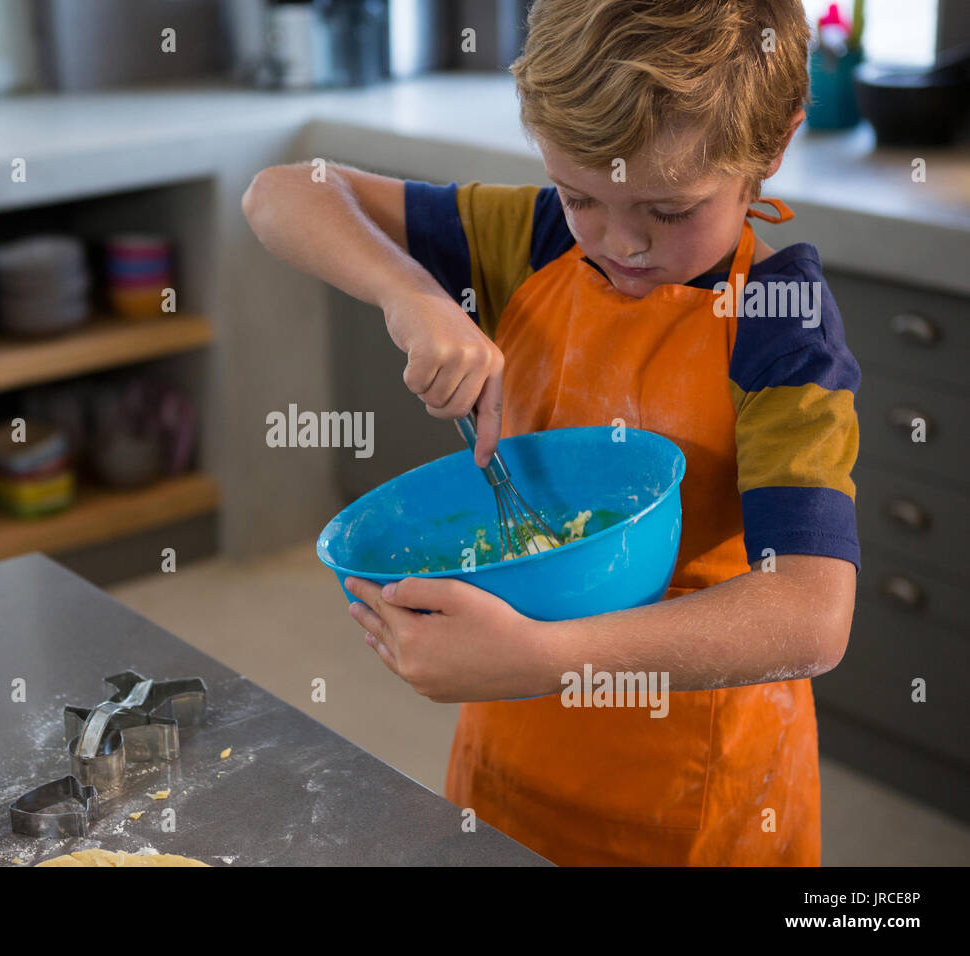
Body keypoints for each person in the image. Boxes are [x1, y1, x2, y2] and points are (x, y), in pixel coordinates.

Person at [241, 0, 859, 865]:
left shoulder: (779, 323)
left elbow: (810, 615)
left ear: (773, 145)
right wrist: (411, 294)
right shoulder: (529, 241)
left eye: (670, 210)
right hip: (510, 761)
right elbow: (283, 192)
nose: (621, 243)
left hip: (698, 794)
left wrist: (543, 657)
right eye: (582, 197)